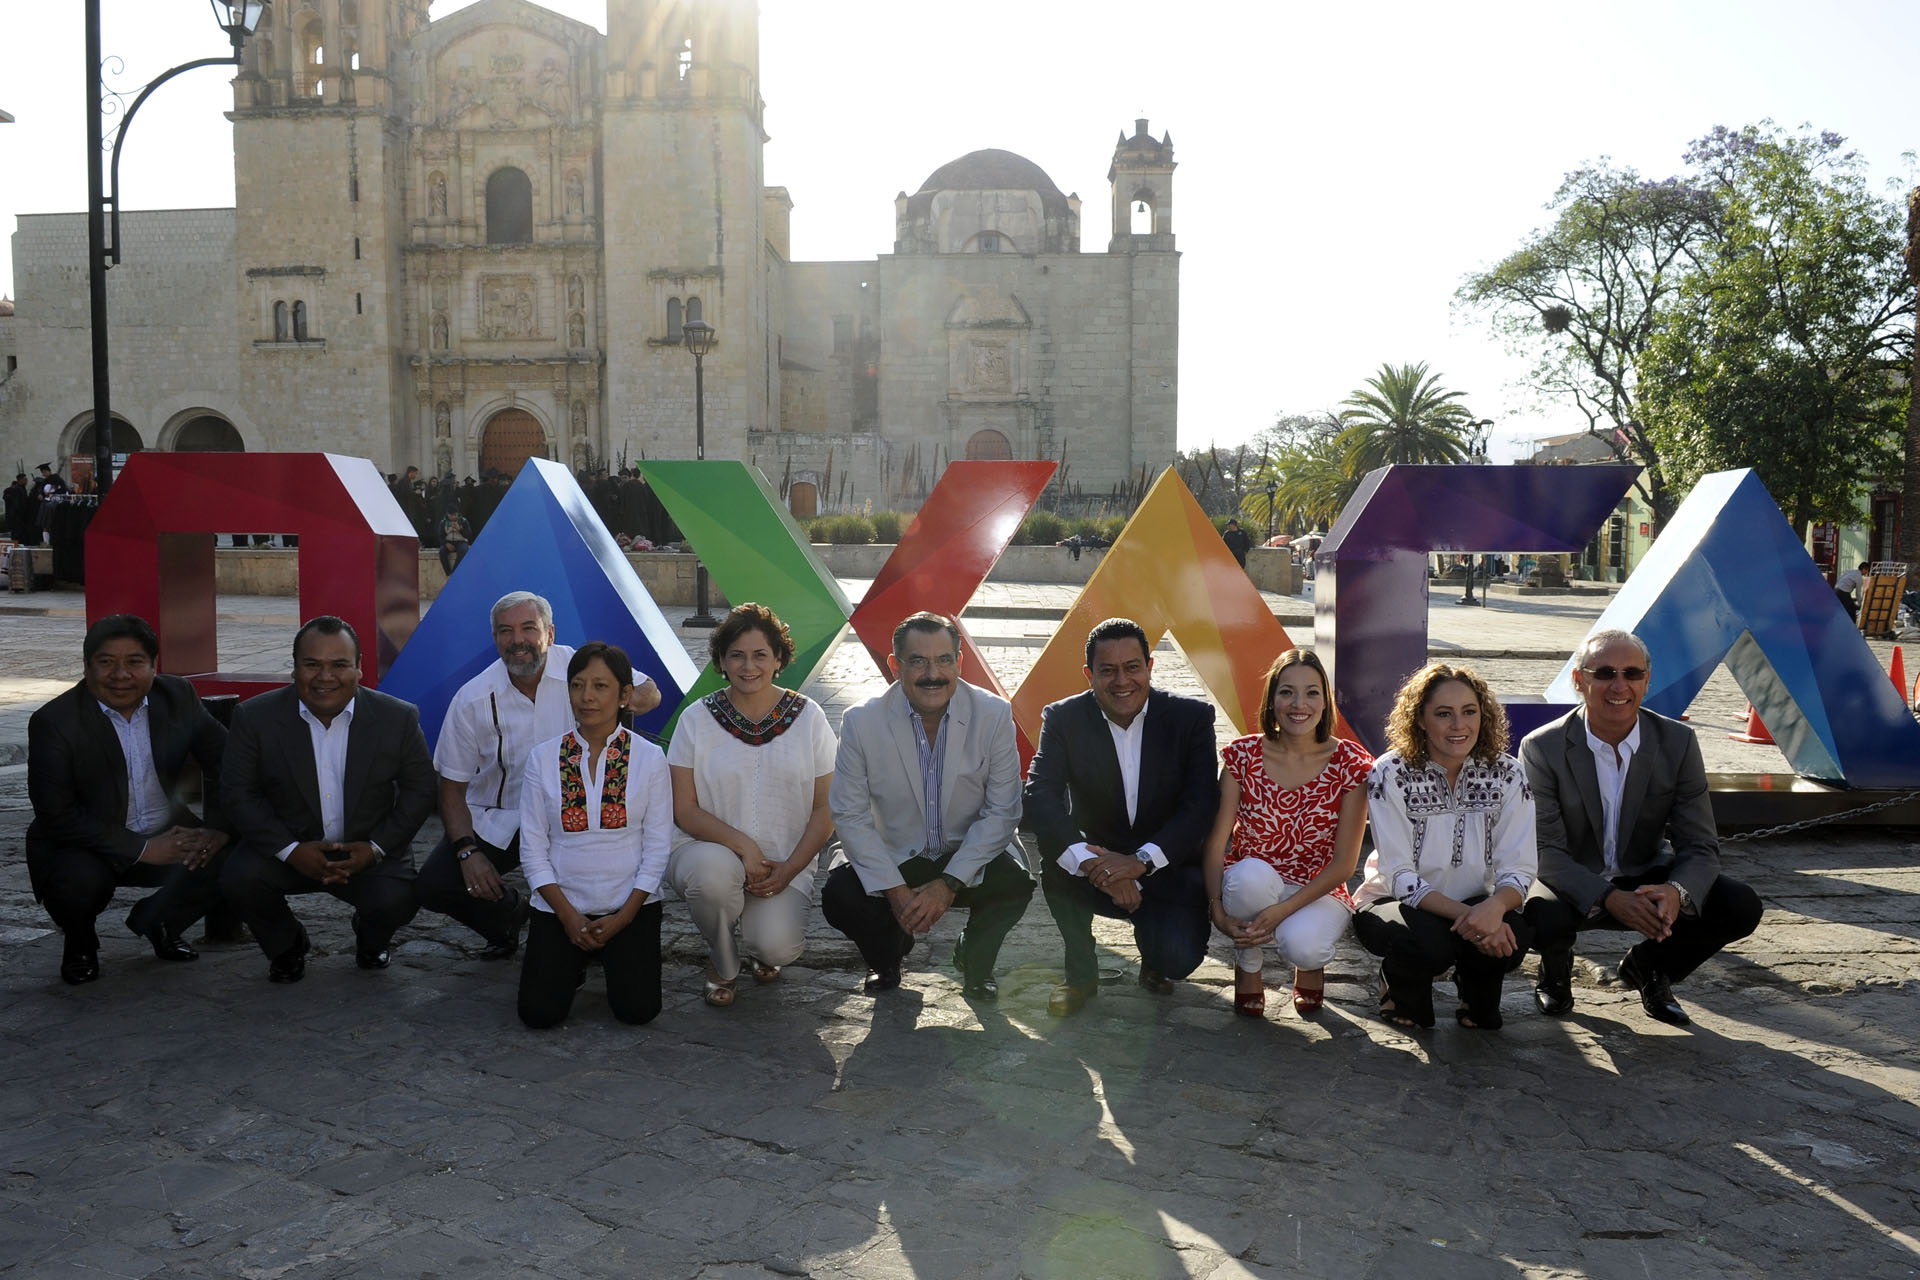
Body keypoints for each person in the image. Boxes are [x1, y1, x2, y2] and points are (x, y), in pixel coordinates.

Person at [1521, 628, 1765, 1027]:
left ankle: (1651, 968)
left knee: (1739, 905)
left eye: (1632, 674)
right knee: (1539, 916)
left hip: (1645, 872)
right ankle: (1556, 964)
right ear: (1579, 680)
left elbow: (1701, 845)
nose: (1619, 685)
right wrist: (1608, 897)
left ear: (1647, 681)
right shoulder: (1542, 747)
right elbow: (1543, 850)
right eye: (1604, 673)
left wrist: (1676, 891)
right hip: (1571, 875)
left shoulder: (1678, 742)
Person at [416, 591, 658, 960]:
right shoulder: (472, 700)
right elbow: (450, 789)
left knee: (602, 861)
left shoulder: (581, 672)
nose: (518, 641)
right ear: (495, 638)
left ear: (550, 633)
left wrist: (618, 704)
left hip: (575, 815)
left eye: (529, 629)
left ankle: (596, 931)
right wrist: (467, 853)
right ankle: (508, 916)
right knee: (434, 884)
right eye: (505, 632)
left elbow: (649, 691)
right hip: (500, 820)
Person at [822, 612, 1033, 1000]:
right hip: (895, 852)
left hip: (965, 850)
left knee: (1015, 885)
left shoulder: (994, 715)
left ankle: (976, 960)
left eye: (944, 660)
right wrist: (897, 894)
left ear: (959, 662)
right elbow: (850, 815)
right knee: (840, 896)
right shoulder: (861, 722)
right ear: (894, 665)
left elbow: (1003, 811)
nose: (932, 673)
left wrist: (949, 884)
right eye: (917, 661)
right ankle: (886, 959)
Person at [220, 617, 438, 983]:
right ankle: (287, 946)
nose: (325, 677)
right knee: (238, 879)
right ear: (294, 669)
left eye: (339, 665)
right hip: (290, 847)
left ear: (359, 668)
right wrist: (290, 850)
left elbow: (421, 790)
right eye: (312, 665)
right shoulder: (254, 717)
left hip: (366, 849)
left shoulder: (397, 717)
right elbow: (238, 793)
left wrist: (376, 849)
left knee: (398, 898)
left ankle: (370, 939)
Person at [1024, 617, 1219, 1016]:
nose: (1121, 680)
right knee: (1058, 857)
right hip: (1097, 864)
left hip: (1167, 865)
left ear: (1150, 667)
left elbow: (1200, 806)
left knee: (1178, 960)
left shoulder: (1192, 719)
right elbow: (1039, 794)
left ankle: (1154, 957)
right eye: (1107, 670)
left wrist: (1139, 863)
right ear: (1088, 675)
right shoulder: (1063, 719)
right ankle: (1080, 975)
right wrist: (1094, 863)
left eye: (1132, 667)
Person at [25, 614, 231, 984]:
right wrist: (141, 848)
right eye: (107, 662)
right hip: (88, 845)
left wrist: (216, 829)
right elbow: (57, 815)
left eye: (135, 662)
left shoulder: (178, 696)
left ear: (154, 666)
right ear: (87, 667)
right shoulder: (54, 721)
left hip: (170, 830)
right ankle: (81, 943)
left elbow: (229, 764)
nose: (121, 675)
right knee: (76, 884)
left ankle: (161, 920)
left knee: (242, 849)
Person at [665, 603, 837, 1006]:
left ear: (779, 659)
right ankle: (723, 960)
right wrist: (743, 847)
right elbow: (684, 809)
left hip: (782, 863)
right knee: (712, 878)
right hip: (705, 850)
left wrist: (788, 870)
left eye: (760, 655)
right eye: (736, 655)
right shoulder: (695, 720)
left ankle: (760, 945)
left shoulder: (809, 717)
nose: (748, 666)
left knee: (777, 948)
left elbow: (826, 808)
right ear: (721, 661)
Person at [1354, 663, 1536, 1029]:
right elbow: (1399, 875)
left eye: (1469, 712)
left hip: (1479, 903)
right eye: (1443, 714)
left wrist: (1495, 908)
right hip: (1394, 902)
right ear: (1419, 719)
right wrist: (1476, 920)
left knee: (1516, 937)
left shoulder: (1509, 772)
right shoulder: (1389, 772)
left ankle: (1473, 986)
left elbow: (1520, 867)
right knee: (1428, 946)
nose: (1459, 725)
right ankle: (1396, 986)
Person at [1202, 649, 1371, 1018]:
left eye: (1312, 692)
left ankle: (1308, 966)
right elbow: (1217, 843)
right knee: (1248, 876)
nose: (1299, 704)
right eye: (1287, 692)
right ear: (1272, 699)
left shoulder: (1351, 763)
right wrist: (1216, 909)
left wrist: (1282, 912)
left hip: (1320, 886)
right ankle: (1248, 964)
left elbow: (1345, 865)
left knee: (1305, 947)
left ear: (1325, 702)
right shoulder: (1242, 756)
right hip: (1253, 882)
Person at [516, 643, 673, 1028]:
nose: (587, 697)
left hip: (631, 906)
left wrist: (624, 917)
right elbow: (533, 851)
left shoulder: (650, 758)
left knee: (638, 1011)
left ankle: (601, 956)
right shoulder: (543, 758)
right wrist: (568, 917)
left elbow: (657, 848)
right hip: (560, 908)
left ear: (624, 696)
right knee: (538, 1015)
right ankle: (573, 962)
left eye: (601, 686)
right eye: (578, 685)